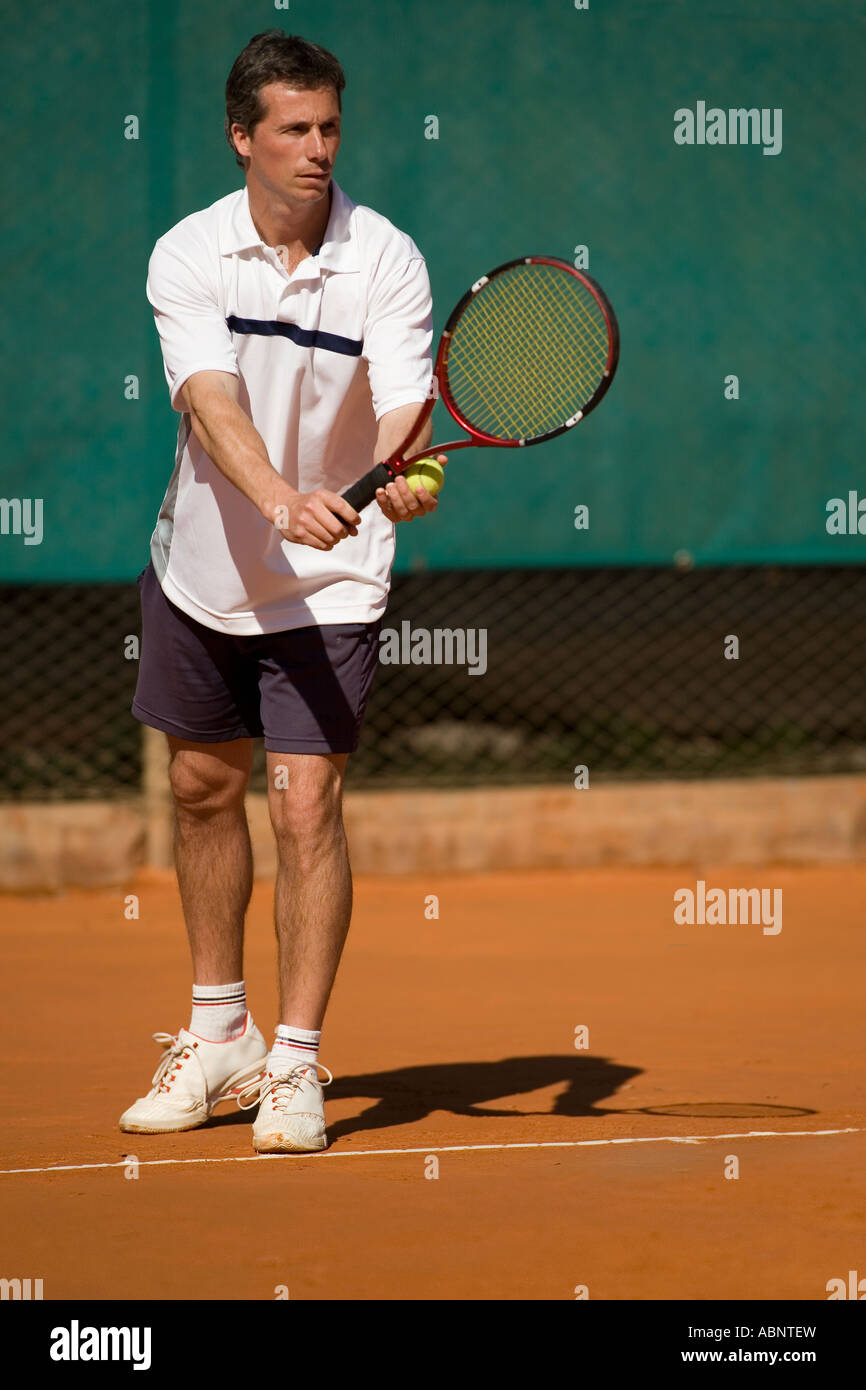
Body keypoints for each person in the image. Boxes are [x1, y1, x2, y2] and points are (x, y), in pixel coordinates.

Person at [120, 30, 443, 1154]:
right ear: (241, 136)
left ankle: (296, 1061)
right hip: (204, 567)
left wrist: (409, 469)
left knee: (305, 801)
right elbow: (208, 398)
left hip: (333, 583)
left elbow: (406, 400)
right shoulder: (187, 252)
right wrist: (275, 498)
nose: (317, 150)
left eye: (330, 128)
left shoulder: (385, 256)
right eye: (294, 130)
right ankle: (220, 1036)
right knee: (204, 787)